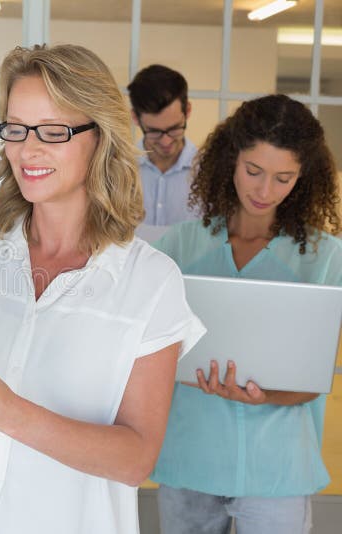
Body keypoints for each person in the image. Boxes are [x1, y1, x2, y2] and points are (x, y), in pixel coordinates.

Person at [0, 44, 205, 534]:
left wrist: (8, 413)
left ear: (100, 137)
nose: (28, 150)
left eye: (53, 131)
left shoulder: (150, 280)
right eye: (16, 128)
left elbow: (136, 458)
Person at [150, 94, 342, 534]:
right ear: (231, 160)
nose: (264, 191)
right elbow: (149, 349)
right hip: (191, 456)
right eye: (253, 171)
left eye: (283, 178)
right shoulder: (179, 246)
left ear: (303, 178)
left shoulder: (327, 258)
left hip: (276, 467)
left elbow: (314, 378)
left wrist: (266, 395)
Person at [128, 64, 198, 226]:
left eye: (174, 128)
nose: (166, 141)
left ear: (187, 110)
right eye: (154, 131)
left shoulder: (209, 172)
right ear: (135, 118)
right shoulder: (119, 169)